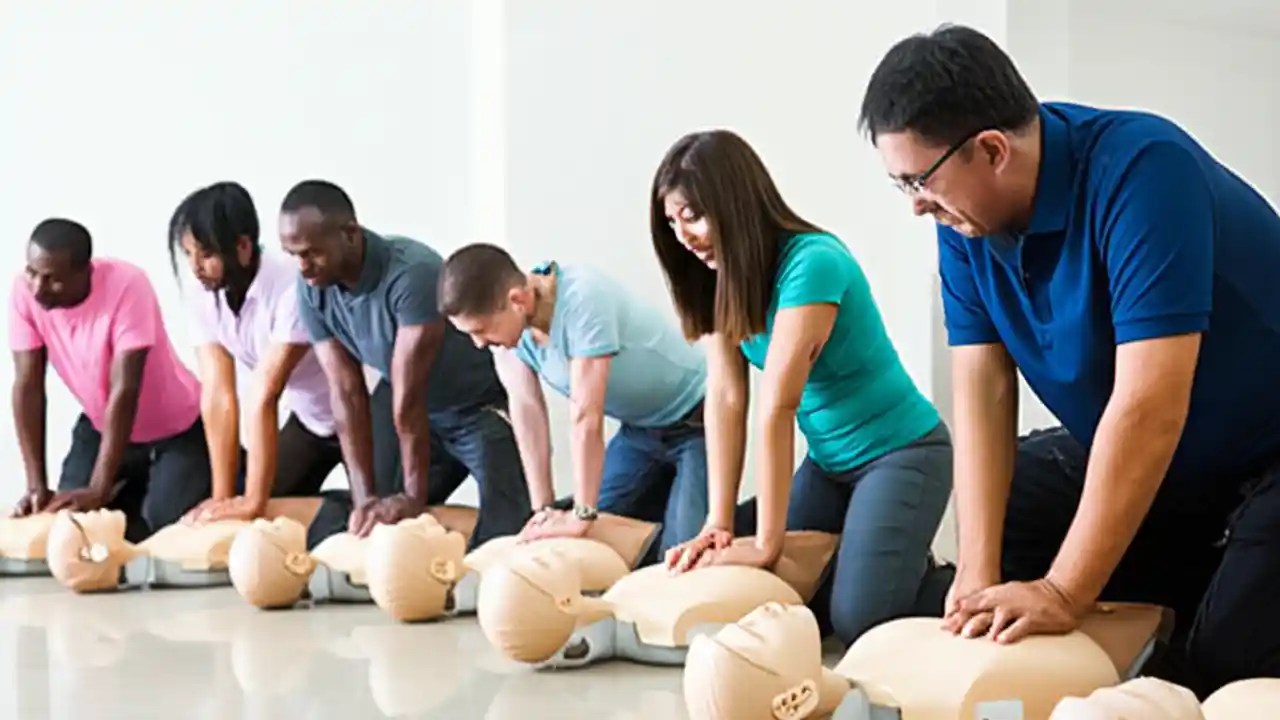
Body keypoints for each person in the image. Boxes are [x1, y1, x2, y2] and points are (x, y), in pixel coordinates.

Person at [858, 24, 1280, 695]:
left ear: (991, 150)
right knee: (1007, 519)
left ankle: (1212, 605)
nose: (915, 206)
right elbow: (983, 393)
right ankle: (1193, 588)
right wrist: (976, 573)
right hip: (1172, 463)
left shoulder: (1143, 171)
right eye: (899, 184)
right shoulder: (964, 220)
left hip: (1260, 455)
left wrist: (1064, 589)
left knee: (1226, 669)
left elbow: (1150, 404)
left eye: (919, 181)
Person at [651, 130, 954, 646]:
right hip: (830, 466)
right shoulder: (720, 277)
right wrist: (717, 523)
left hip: (903, 454)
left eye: (694, 216)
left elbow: (778, 407)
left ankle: (931, 576)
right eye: (673, 222)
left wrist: (767, 543)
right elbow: (726, 399)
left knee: (860, 621)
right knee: (772, 592)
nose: (685, 237)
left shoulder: (812, 262)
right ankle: (873, 553)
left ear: (736, 204)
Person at [277, 180, 530, 547]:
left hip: (474, 407)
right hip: (403, 405)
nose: (302, 267)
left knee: (506, 524)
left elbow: (408, 398)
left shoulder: (413, 274)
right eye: (293, 255)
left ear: (350, 233)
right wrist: (365, 497)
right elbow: (346, 393)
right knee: (370, 517)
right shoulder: (311, 290)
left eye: (311, 253)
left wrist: (413, 497)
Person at [439, 242, 710, 561]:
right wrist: (543, 509)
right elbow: (527, 414)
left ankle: (732, 526)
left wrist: (582, 513)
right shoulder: (510, 339)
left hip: (699, 426)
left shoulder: (583, 298)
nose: (479, 343)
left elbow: (586, 416)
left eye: (481, 330)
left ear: (516, 300)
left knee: (683, 558)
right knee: (586, 543)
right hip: (639, 433)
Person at [168, 181, 402, 525]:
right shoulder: (202, 292)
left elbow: (264, 392)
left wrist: (252, 502)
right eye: (187, 254)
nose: (195, 267)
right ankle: (340, 506)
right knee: (262, 506)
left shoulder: (290, 284)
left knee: (381, 516)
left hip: (362, 407)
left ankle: (350, 505)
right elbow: (218, 396)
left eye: (205, 255)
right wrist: (223, 499)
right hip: (310, 417)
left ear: (243, 247)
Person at [9, 219, 210, 542]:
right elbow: (28, 386)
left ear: (84, 272)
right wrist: (36, 487)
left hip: (177, 429)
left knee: (163, 524)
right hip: (102, 425)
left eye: (53, 280)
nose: (38, 289)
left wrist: (101, 487)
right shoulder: (24, 293)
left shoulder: (127, 284)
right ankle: (134, 487)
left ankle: (184, 475)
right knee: (68, 517)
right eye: (32, 273)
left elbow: (125, 389)